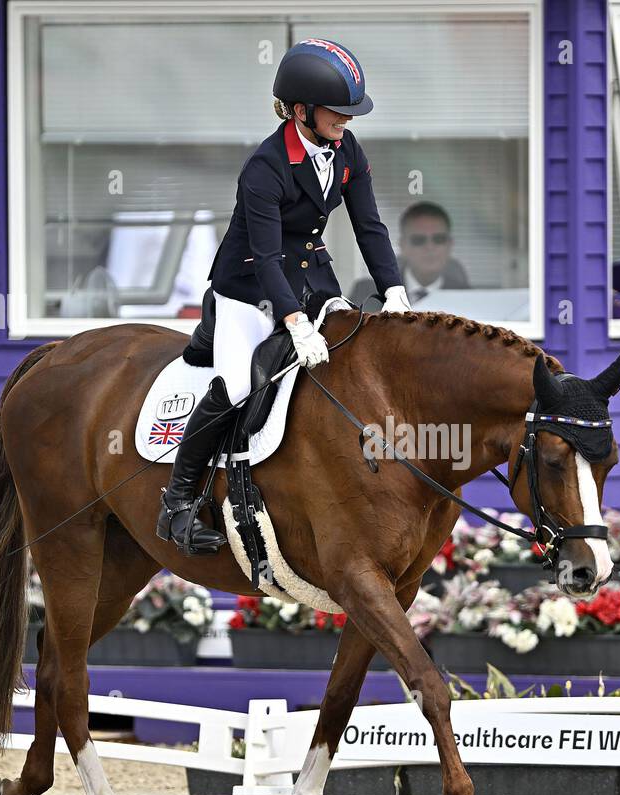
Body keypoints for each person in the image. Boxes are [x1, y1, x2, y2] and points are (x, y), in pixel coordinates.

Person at [157, 38, 412, 556]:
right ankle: (177, 504)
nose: (346, 120)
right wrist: (295, 321)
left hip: (312, 276)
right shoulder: (264, 168)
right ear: (301, 111)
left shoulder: (347, 151)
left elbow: (369, 226)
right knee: (236, 388)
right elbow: (267, 257)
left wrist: (395, 292)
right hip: (249, 287)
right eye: (337, 112)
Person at [349, 202, 470, 305]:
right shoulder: (367, 294)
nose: (430, 247)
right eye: (418, 240)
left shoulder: (468, 298)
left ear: (449, 245)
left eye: (439, 239)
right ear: (403, 246)